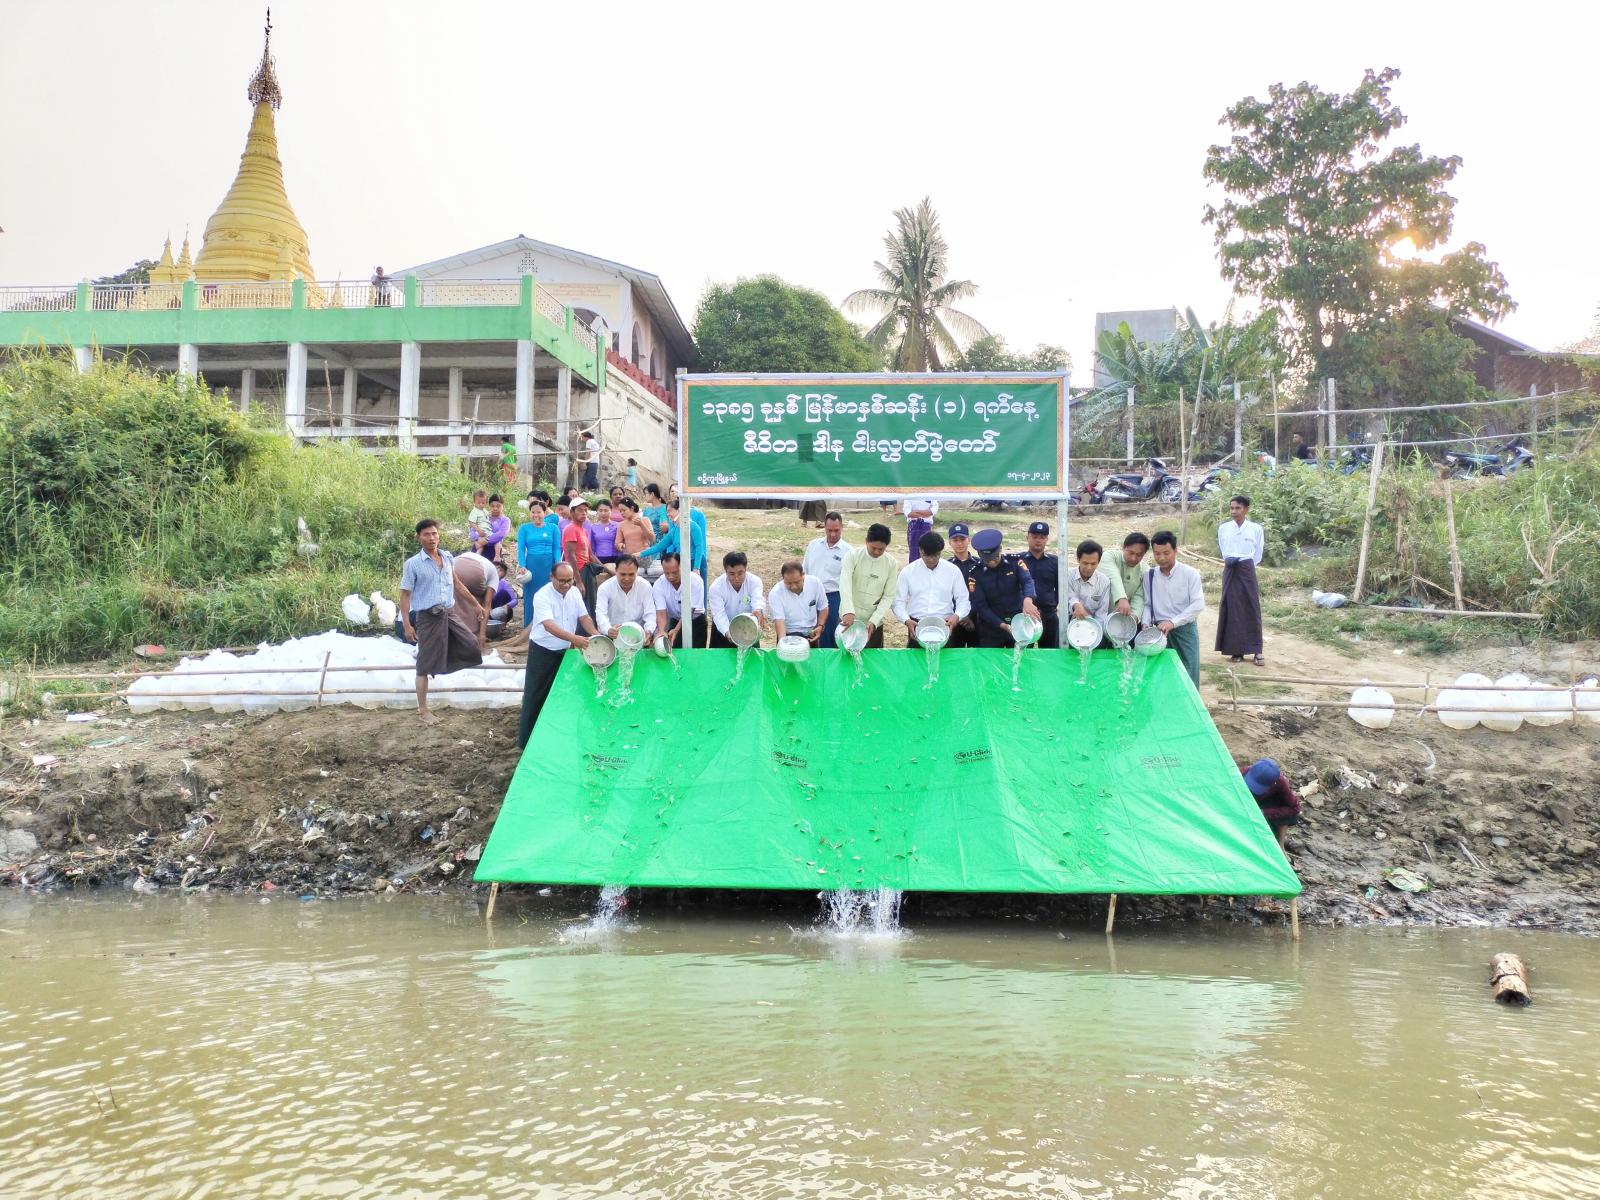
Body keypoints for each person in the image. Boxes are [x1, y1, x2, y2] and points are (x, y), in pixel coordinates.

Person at [399, 518, 483, 722]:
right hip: (428, 617)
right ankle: (423, 710)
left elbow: (457, 583)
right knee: (423, 665)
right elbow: (405, 595)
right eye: (426, 534)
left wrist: (475, 604)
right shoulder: (413, 564)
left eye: (434, 533)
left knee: (471, 644)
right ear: (418, 537)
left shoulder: (447, 557)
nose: (431, 538)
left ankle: (438, 664)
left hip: (449, 612)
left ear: (439, 535)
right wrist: (407, 624)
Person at [517, 562, 597, 748]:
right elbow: (549, 625)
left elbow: (584, 617)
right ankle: (526, 742)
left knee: (562, 693)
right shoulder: (542, 595)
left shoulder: (574, 592)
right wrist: (575, 639)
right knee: (535, 695)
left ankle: (554, 734)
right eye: (562, 581)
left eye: (570, 580)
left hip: (565, 651)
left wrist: (595, 635)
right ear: (551, 577)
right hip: (543, 651)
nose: (566, 584)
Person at [1145, 530, 1205, 686]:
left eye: (1166, 553)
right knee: (1161, 673)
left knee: (1188, 671)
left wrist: (1173, 622)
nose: (1161, 558)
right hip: (1159, 632)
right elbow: (1148, 604)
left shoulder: (1190, 573)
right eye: (1157, 554)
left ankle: (1189, 702)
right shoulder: (1149, 575)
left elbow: (1198, 604)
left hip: (1184, 630)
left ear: (1175, 551)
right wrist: (1145, 623)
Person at [893, 531, 970, 646]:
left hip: (945, 624)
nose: (931, 559)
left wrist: (957, 615)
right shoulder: (908, 572)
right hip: (916, 625)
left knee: (946, 657)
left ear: (940, 552)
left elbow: (963, 599)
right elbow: (898, 602)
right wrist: (906, 620)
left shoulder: (953, 571)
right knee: (916, 657)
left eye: (935, 555)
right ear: (920, 551)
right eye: (926, 555)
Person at [967, 529, 1040, 648]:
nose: (992, 562)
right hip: (991, 626)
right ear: (979, 555)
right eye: (987, 559)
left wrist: (1028, 600)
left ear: (1000, 549)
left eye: (995, 557)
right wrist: (1002, 625)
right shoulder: (975, 573)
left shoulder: (1015, 562)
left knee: (1022, 657)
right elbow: (981, 606)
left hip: (1019, 622)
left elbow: (1027, 580)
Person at [1216, 495, 1266, 667]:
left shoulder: (1256, 529)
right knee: (1231, 607)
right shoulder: (1224, 528)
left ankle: (1257, 650)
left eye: (1237, 508)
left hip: (1247, 569)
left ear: (1246, 509)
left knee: (1251, 607)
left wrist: (1246, 565)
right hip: (1230, 569)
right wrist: (1232, 562)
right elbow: (1223, 549)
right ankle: (1236, 650)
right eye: (1231, 508)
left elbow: (1258, 553)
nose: (1234, 511)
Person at [837, 524, 896, 648]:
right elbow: (844, 584)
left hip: (872, 622)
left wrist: (874, 621)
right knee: (846, 654)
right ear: (866, 541)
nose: (877, 552)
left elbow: (888, 596)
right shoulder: (852, 556)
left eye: (881, 549)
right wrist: (848, 611)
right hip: (848, 619)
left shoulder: (891, 564)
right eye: (873, 548)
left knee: (872, 657)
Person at [802, 512, 851, 648]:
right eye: (829, 530)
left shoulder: (848, 551)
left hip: (833, 597)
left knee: (829, 633)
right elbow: (804, 569)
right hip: (811, 595)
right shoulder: (813, 545)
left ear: (842, 527)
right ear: (824, 527)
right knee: (808, 631)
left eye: (836, 530)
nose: (833, 534)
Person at [516, 498, 562, 627]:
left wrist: (558, 564)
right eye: (533, 512)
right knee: (531, 595)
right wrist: (522, 565)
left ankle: (550, 626)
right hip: (532, 566)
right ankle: (529, 627)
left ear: (544, 512)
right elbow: (521, 549)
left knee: (550, 594)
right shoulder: (524, 528)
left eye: (539, 512)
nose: (536, 515)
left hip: (549, 565)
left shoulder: (553, 528)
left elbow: (556, 548)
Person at [708, 551, 766, 648]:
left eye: (740, 573)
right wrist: (728, 633)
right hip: (723, 628)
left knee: (751, 657)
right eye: (731, 574)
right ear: (725, 571)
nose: (736, 578)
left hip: (748, 627)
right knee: (720, 657)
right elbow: (718, 614)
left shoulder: (755, 582)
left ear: (745, 569)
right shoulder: (716, 587)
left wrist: (758, 610)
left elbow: (757, 599)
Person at [637, 499, 707, 578]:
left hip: (696, 563)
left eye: (669, 511)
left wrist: (696, 568)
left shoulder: (693, 526)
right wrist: (640, 554)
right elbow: (659, 547)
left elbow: (699, 547)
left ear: (679, 510)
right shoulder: (674, 531)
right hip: (683, 563)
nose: (668, 514)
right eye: (667, 512)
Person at [1242, 758, 1302, 851]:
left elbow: (1295, 808)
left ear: (1273, 783)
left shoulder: (1281, 782)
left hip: (1263, 807)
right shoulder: (1240, 773)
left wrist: (1264, 812)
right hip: (1243, 802)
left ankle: (1280, 846)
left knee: (1285, 807)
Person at [1020, 521, 1062, 648]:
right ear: (1027, 537)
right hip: (1025, 616)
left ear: (1047, 539)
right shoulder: (1018, 561)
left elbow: (1060, 588)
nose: (1038, 540)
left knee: (1050, 654)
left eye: (1042, 537)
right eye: (1034, 537)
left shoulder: (1055, 562)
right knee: (1024, 653)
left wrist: (1052, 604)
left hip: (1048, 616)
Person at [654, 552, 708, 649]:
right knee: (674, 650)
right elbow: (661, 612)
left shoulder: (695, 581)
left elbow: (689, 611)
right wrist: (662, 630)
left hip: (696, 621)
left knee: (696, 653)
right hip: (675, 620)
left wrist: (676, 630)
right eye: (667, 573)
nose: (670, 576)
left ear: (682, 567)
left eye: (674, 572)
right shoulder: (659, 584)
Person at [768, 560, 829, 644]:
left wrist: (820, 625)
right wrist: (783, 643)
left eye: (797, 582)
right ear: (783, 579)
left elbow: (823, 607)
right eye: (788, 583)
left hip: (811, 634)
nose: (793, 587)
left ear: (803, 575)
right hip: (788, 636)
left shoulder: (815, 583)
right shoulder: (775, 593)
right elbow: (779, 621)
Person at [1064, 539, 1118, 633]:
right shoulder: (1067, 576)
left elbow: (1101, 614)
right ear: (1078, 559)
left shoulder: (1104, 581)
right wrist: (1076, 605)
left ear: (1099, 562)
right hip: (1069, 624)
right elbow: (1070, 597)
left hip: (1093, 627)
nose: (1089, 568)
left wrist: (1094, 631)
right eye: (1085, 563)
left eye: (1093, 564)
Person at [594, 555, 654, 638]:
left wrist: (649, 630)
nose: (627, 578)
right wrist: (608, 629)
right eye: (623, 574)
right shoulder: (604, 588)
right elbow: (600, 613)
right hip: (613, 633)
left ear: (637, 571)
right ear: (616, 571)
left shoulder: (645, 586)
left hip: (638, 635)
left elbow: (650, 613)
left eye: (631, 574)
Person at [944, 522, 981, 647]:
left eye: (962, 539)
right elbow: (945, 594)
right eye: (955, 540)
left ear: (968, 540)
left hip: (976, 618)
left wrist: (970, 615)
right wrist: (960, 615)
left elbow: (982, 593)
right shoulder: (946, 567)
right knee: (954, 654)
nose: (959, 543)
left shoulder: (979, 564)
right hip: (953, 619)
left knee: (976, 653)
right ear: (950, 542)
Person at [561, 496, 600, 613]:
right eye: (580, 510)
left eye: (585, 510)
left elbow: (590, 555)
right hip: (578, 571)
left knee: (591, 603)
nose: (584, 513)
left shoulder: (583, 531)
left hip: (587, 570)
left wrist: (607, 569)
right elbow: (570, 556)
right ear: (572, 512)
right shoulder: (570, 529)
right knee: (582, 605)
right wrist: (578, 581)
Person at [1106, 533, 1148, 624]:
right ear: (1124, 547)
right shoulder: (1110, 556)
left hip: (1122, 621)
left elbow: (1140, 596)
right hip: (1100, 615)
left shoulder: (1145, 570)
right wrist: (1121, 598)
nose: (1133, 558)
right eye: (1131, 553)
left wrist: (1134, 616)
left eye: (1139, 555)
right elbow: (1113, 577)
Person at [902, 496, 939, 564]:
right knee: (914, 552)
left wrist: (916, 511)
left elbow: (933, 511)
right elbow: (908, 513)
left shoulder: (931, 494)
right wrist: (925, 514)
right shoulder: (909, 496)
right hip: (914, 526)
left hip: (926, 526)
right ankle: (914, 569)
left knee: (927, 550)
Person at [478, 494, 511, 568]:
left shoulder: (505, 520)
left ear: (503, 506)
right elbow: (473, 530)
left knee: (492, 572)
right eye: (492, 506)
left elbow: (500, 535)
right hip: (479, 546)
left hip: (494, 551)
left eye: (498, 506)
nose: (495, 508)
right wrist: (478, 539)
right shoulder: (483, 516)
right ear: (489, 506)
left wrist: (485, 540)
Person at [591, 499, 621, 569]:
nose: (603, 513)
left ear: (611, 511)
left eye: (606, 510)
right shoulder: (593, 527)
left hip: (615, 558)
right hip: (599, 559)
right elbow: (592, 547)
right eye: (600, 510)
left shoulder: (617, 525)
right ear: (597, 511)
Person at [579, 425, 601, 491]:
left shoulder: (589, 441)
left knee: (591, 477)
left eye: (582, 437)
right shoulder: (594, 441)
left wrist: (585, 462)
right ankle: (586, 490)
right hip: (594, 461)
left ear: (586, 437)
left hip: (592, 461)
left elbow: (588, 452)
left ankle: (597, 488)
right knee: (586, 477)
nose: (582, 439)